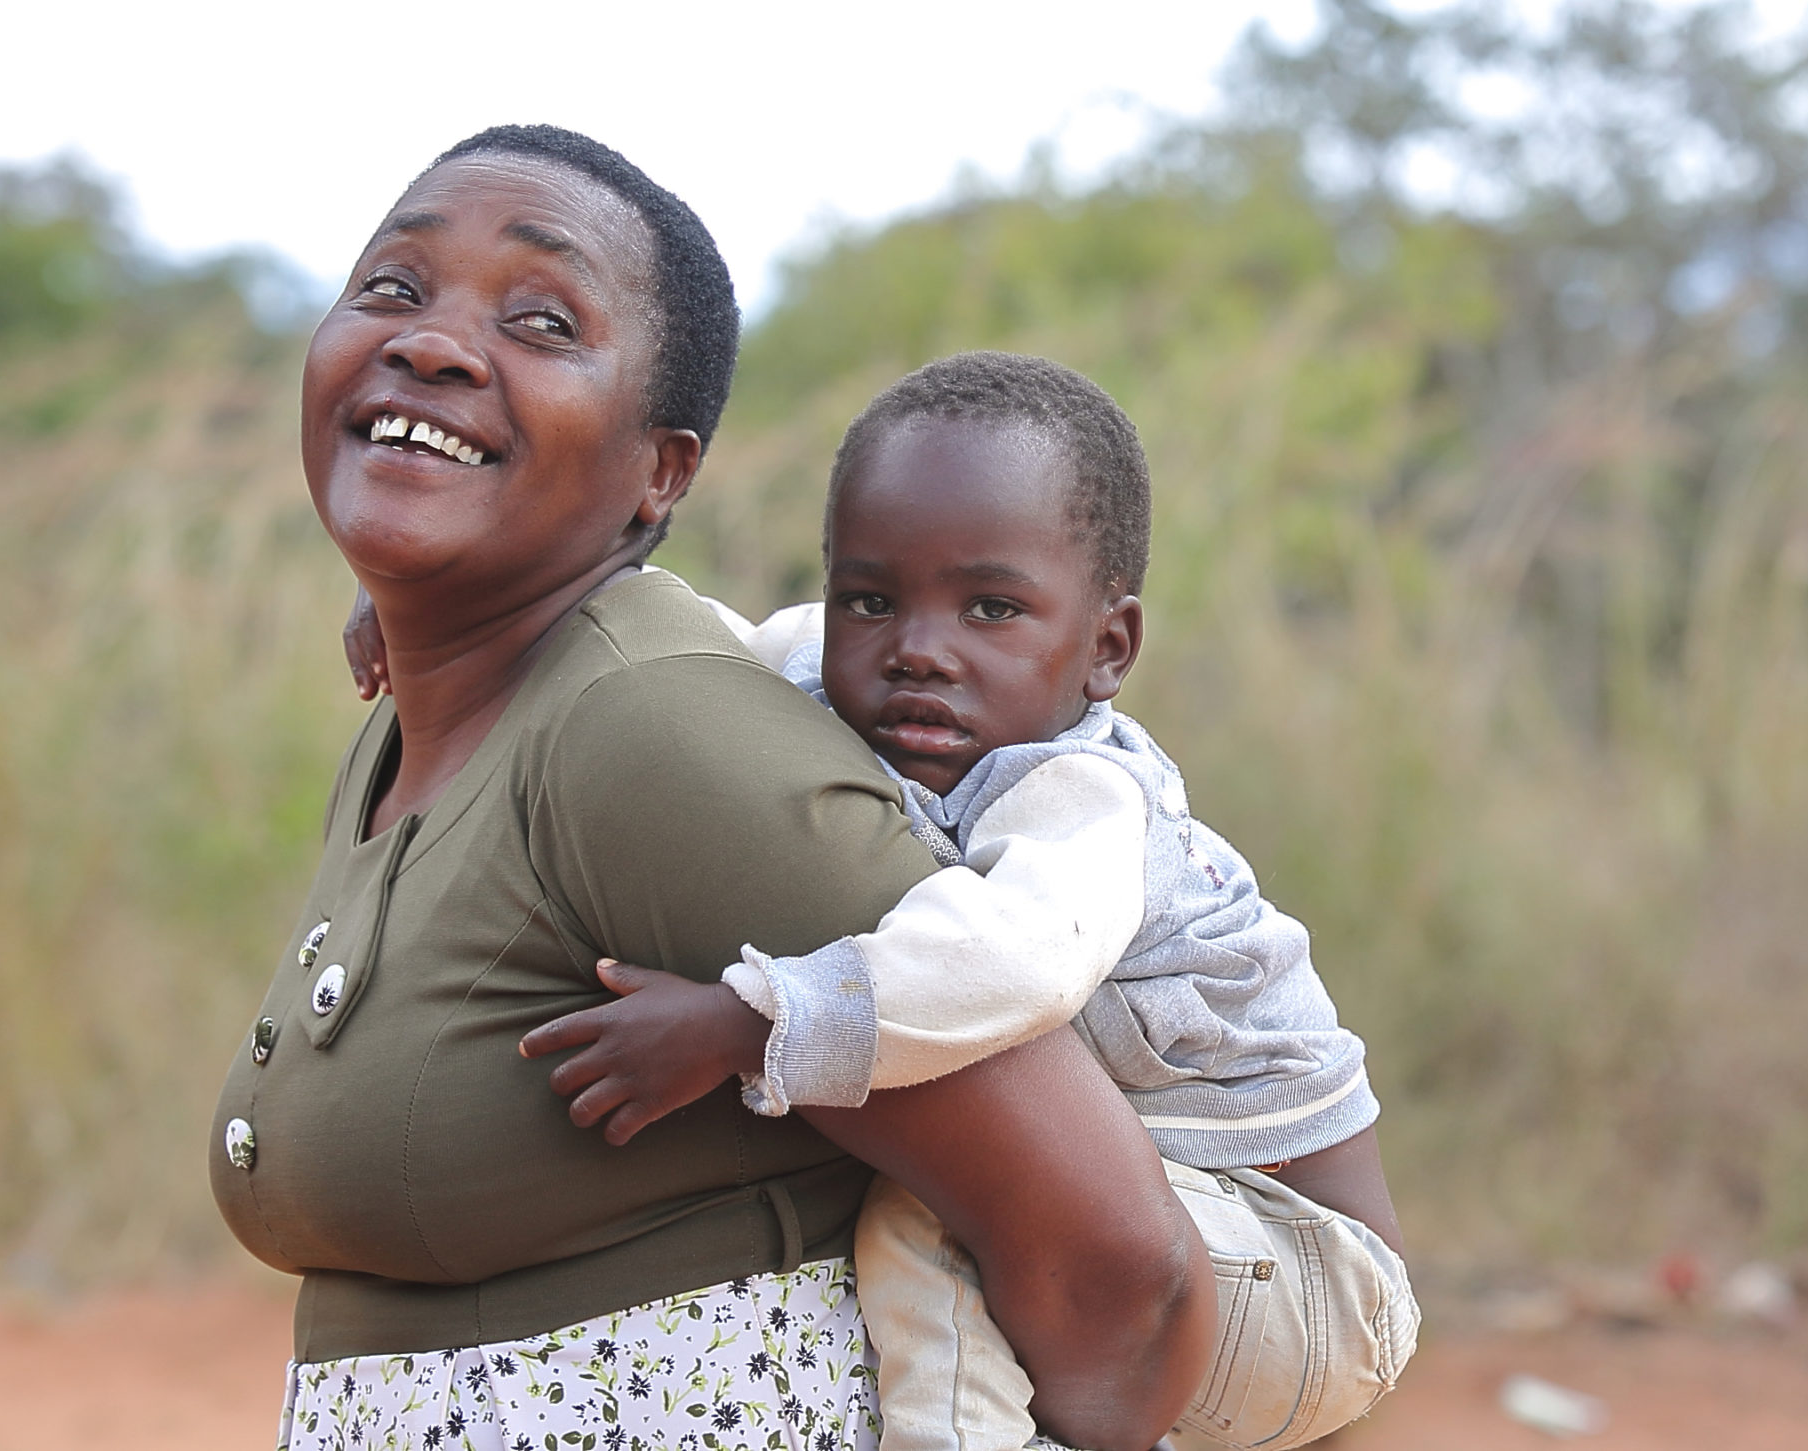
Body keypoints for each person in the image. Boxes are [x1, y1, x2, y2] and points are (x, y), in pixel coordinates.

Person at [209, 126, 1215, 1451]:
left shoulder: (649, 732)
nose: (436, 343)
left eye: (540, 317)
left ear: (660, 472)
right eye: (394, 288)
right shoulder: (438, 703)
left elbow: (1118, 1269)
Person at [502, 353, 1420, 1451]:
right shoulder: (820, 667)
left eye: (992, 608)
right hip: (1187, 1247)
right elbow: (674, 663)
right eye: (870, 600)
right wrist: (495, 608)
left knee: (942, 1206)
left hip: (1298, 1273)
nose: (920, 650)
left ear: (1105, 649)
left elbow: (1006, 968)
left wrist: (746, 1022)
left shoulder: (1079, 798)